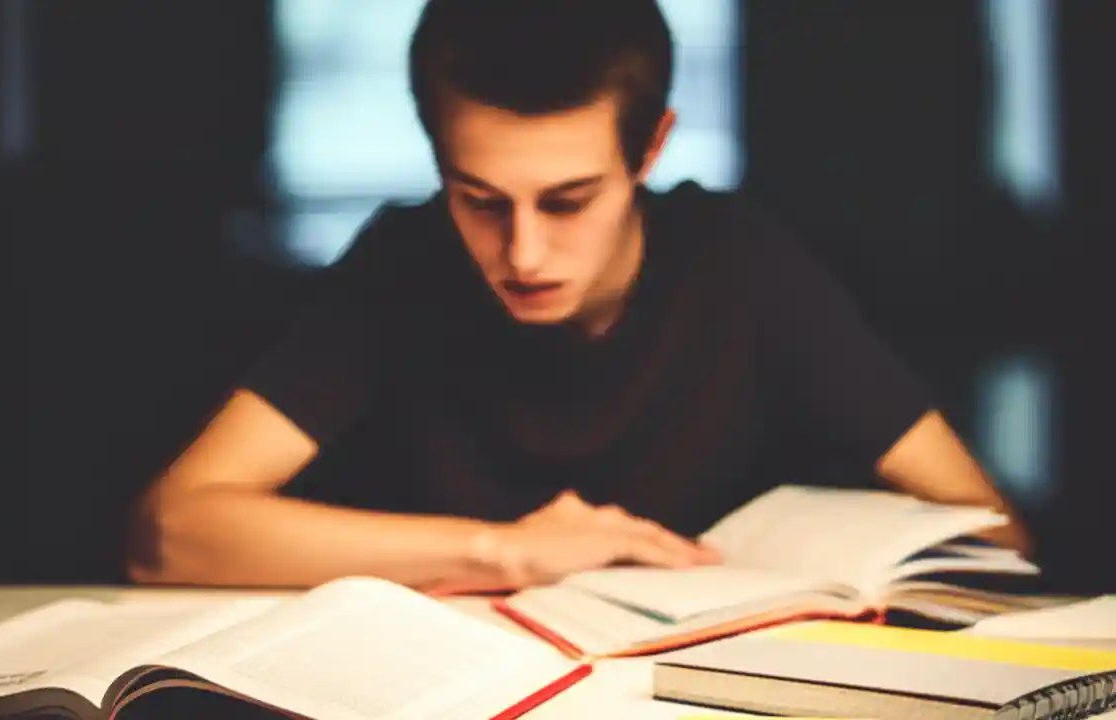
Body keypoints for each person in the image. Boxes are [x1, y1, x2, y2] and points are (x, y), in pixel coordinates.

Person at [127, 0, 1031, 590]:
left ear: (651, 149)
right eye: (479, 200)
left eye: (568, 201)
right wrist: (504, 550)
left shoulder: (740, 260)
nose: (522, 254)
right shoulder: (402, 263)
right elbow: (170, 532)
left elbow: (996, 533)